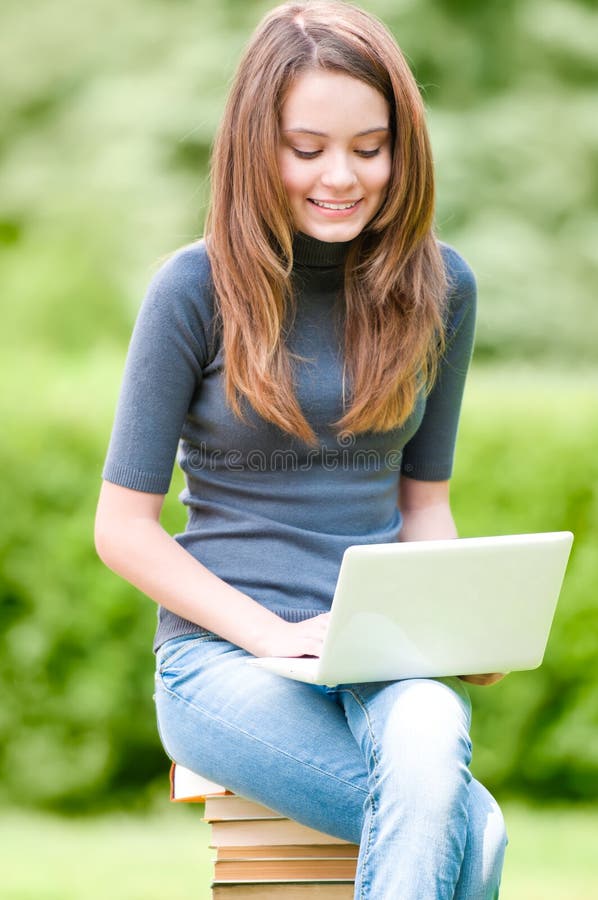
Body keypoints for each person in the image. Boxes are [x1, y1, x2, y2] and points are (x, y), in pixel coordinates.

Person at [95, 1, 508, 896]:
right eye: (306, 146)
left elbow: (422, 502)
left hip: (387, 652)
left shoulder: (443, 289)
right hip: (224, 659)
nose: (342, 176)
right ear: (256, 146)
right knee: (473, 827)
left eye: (370, 147)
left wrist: (457, 629)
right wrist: (276, 639)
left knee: (434, 734)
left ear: (404, 148)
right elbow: (123, 529)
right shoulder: (193, 288)